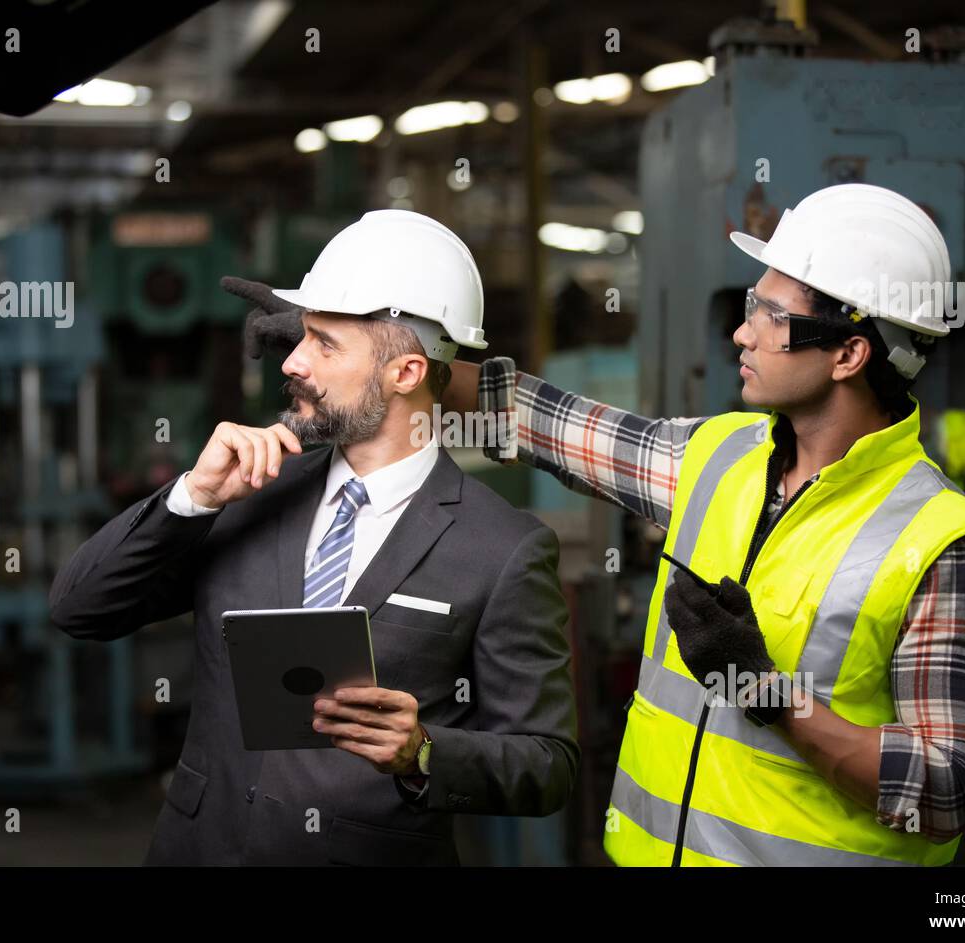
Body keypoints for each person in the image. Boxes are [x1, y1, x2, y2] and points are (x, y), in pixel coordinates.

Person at [240, 184, 965, 867]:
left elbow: (943, 790)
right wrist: (351, 345)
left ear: (849, 353)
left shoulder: (946, 549)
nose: (742, 330)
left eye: (770, 312)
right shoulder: (718, 459)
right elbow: (530, 417)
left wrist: (764, 690)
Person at [50, 209, 579, 866]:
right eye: (301, 336)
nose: (292, 361)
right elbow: (79, 608)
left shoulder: (500, 549)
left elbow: (546, 764)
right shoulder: (249, 490)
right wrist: (192, 497)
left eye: (324, 344)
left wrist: (423, 753)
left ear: (406, 374)